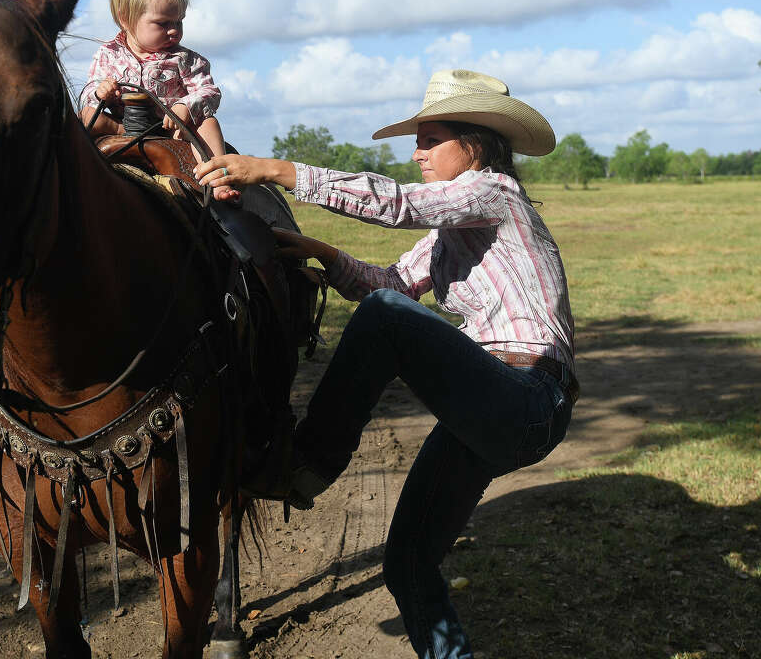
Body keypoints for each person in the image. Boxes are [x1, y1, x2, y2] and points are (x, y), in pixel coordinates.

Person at [194, 69, 577, 659]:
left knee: (385, 315)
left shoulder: (495, 192)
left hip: (529, 396)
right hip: (486, 411)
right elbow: (389, 281)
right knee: (406, 563)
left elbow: (398, 207)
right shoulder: (453, 231)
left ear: (473, 145)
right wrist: (323, 255)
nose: (418, 154)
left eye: (430, 140)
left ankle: (307, 463)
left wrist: (274, 171)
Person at [79, 0, 237, 200]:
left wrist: (186, 105)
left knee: (208, 123)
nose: (174, 30)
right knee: (87, 116)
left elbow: (208, 92)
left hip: (172, 130)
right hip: (122, 127)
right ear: (126, 19)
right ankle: (73, 166)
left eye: (179, 22)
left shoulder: (185, 59)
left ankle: (218, 178)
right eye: (163, 24)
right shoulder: (107, 55)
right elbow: (91, 90)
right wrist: (101, 92)